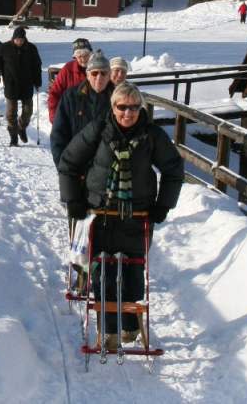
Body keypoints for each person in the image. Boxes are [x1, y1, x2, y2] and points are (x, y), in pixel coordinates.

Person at [58, 82, 184, 351]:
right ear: (113, 108)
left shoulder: (152, 135)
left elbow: (173, 169)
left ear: (141, 108)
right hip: (100, 213)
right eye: (122, 107)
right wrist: (74, 200)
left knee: (133, 270)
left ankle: (129, 326)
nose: (128, 113)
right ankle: (108, 331)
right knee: (102, 271)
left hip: (137, 215)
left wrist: (163, 205)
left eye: (134, 107)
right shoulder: (97, 130)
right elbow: (69, 162)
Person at [50, 50, 113, 167]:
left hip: (107, 170)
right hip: (76, 166)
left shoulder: (117, 99)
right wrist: (63, 167)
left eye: (103, 73)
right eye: (95, 73)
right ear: (88, 75)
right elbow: (58, 135)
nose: (99, 77)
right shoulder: (71, 97)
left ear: (109, 75)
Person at [0, 26, 42, 146]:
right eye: (17, 39)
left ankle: (21, 127)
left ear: (24, 38)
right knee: (11, 112)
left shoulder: (31, 48)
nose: (19, 41)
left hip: (27, 84)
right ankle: (13, 137)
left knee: (28, 111)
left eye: (21, 39)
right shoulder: (5, 47)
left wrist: (38, 82)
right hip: (11, 84)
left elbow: (37, 66)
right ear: (13, 38)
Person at [47, 38, 92, 124]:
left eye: (85, 55)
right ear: (75, 57)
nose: (83, 59)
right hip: (71, 118)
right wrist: (55, 118)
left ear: (90, 54)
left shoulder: (97, 68)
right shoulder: (68, 69)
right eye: (79, 56)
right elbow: (54, 94)